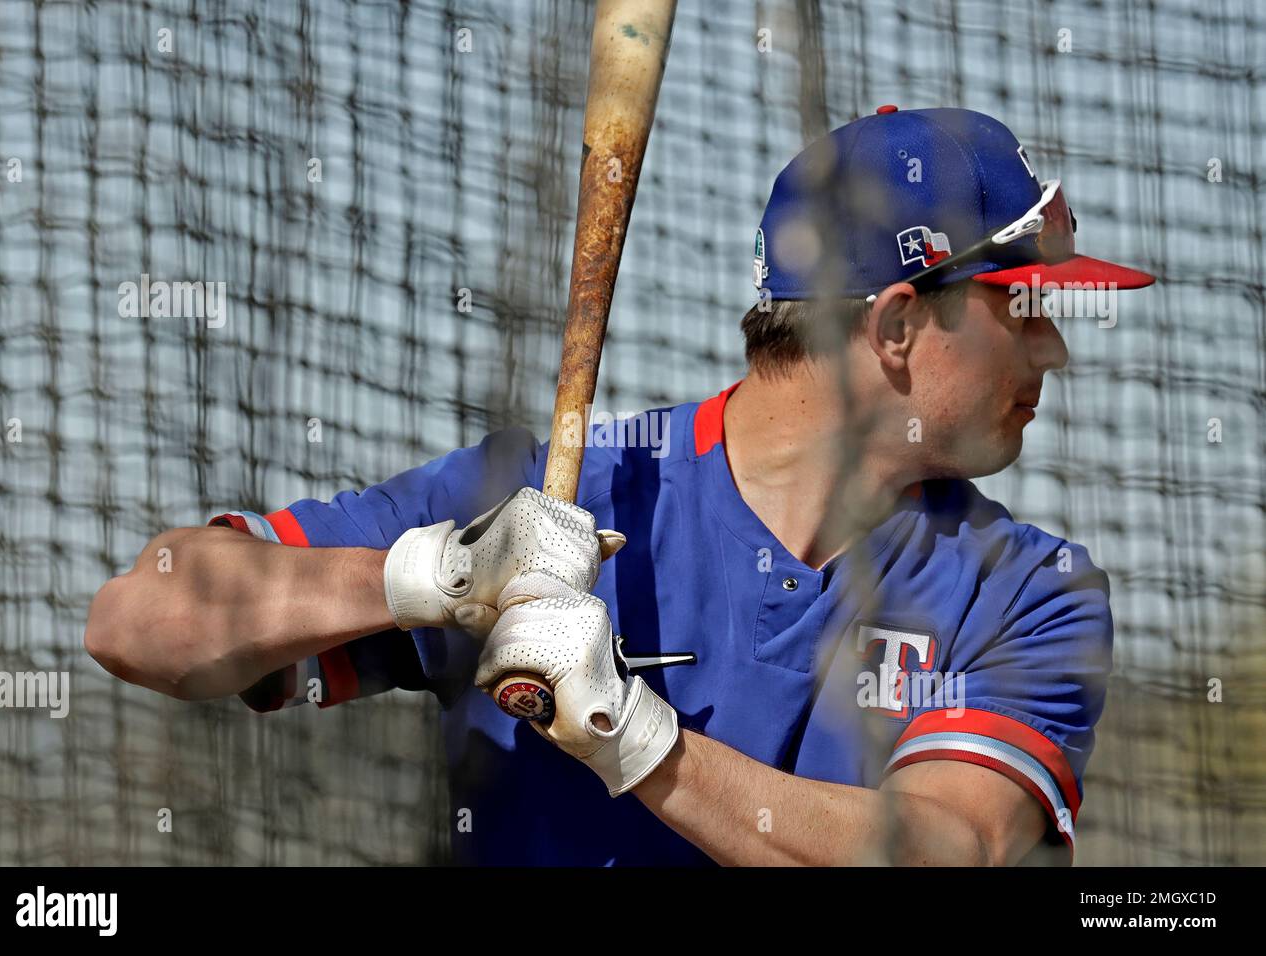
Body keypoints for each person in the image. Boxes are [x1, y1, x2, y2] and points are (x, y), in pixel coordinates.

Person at [85, 106, 1154, 865]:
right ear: (893, 325)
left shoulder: (1028, 589)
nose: (1052, 346)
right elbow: (140, 620)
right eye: (1021, 304)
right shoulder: (562, 493)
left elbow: (948, 847)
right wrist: (445, 576)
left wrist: (629, 736)